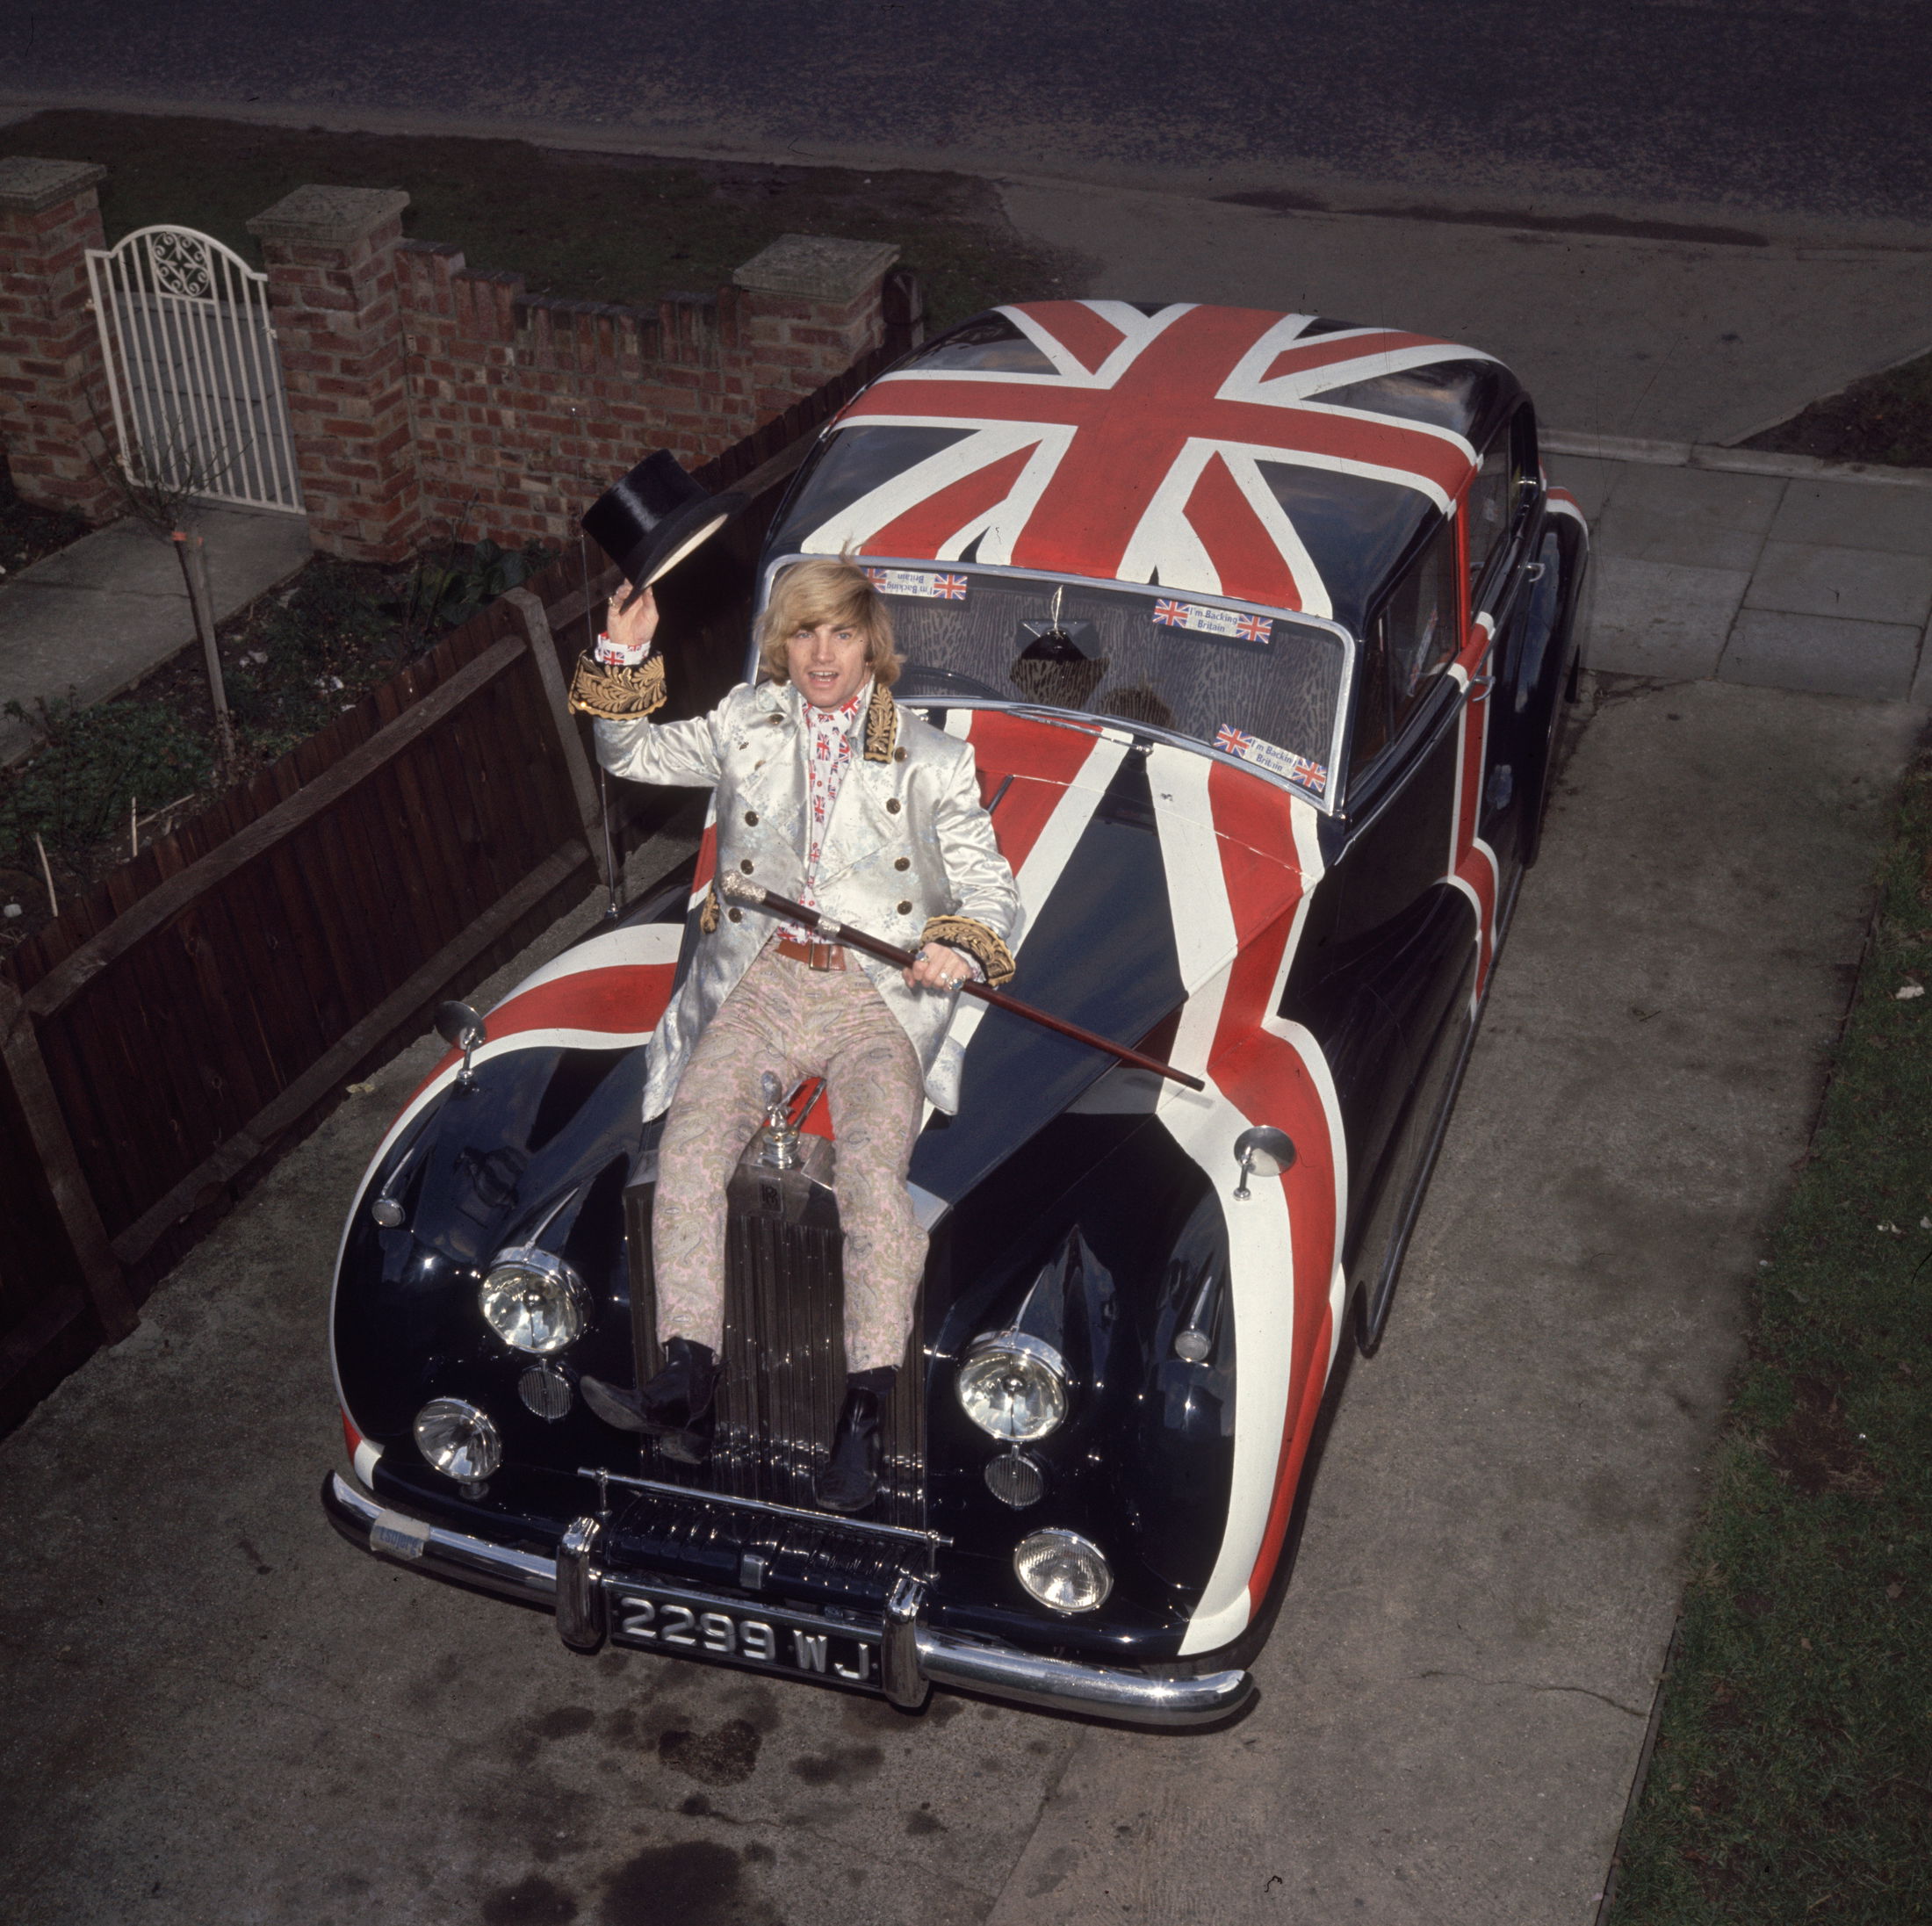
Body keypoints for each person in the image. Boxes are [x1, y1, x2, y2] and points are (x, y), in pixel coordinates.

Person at [568, 556, 1020, 1511]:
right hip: (766, 980)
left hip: (874, 996)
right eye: (804, 633)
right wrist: (625, 652)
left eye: (842, 633)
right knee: (688, 1143)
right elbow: (628, 756)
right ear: (783, 643)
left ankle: (861, 1412)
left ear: (872, 646)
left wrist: (953, 944)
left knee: (867, 1178)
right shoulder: (745, 723)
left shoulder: (934, 760)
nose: (822, 654)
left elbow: (989, 890)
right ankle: (685, 1381)